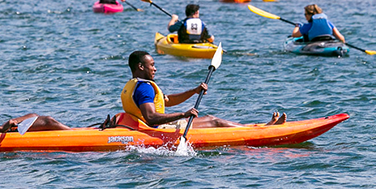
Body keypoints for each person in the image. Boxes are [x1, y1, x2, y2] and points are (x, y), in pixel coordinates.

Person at [121, 51, 285, 128]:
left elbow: (167, 101)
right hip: (155, 129)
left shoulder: (135, 84)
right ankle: (262, 130)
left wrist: (194, 91)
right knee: (214, 121)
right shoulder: (145, 88)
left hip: (141, 125)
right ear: (141, 67)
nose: (155, 69)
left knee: (211, 118)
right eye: (152, 65)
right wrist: (183, 114)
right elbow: (151, 117)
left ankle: (260, 126)